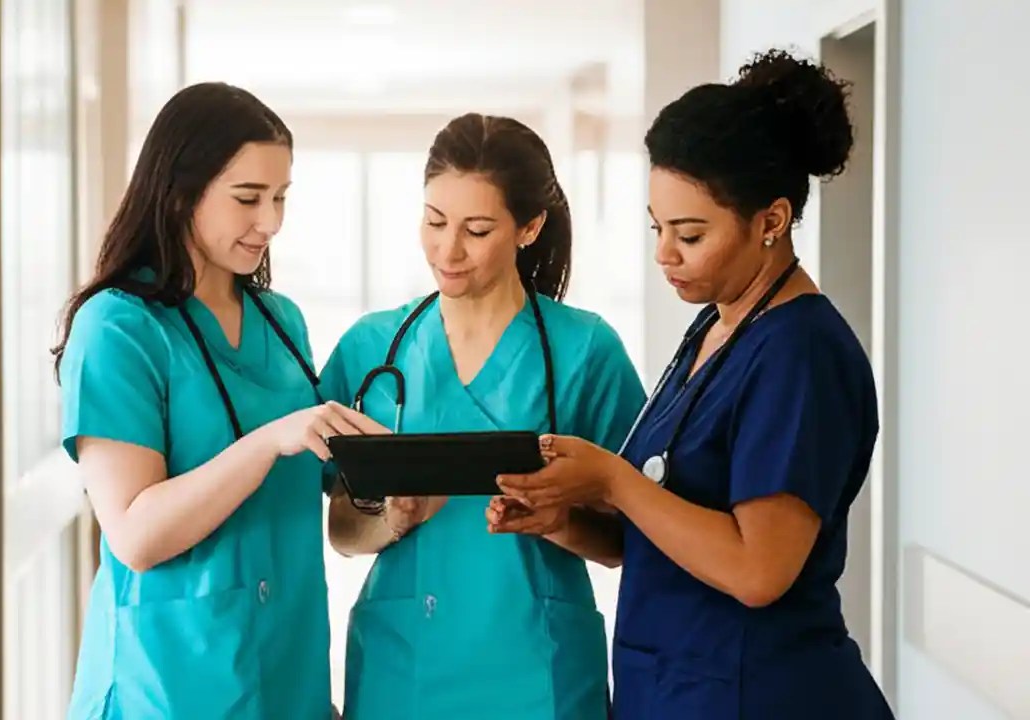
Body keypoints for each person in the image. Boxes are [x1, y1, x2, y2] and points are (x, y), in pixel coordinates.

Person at [492, 50, 896, 719]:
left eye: (690, 233)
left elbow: (757, 571)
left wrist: (614, 481)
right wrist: (565, 522)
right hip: (679, 688)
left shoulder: (800, 352)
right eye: (657, 228)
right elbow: (655, 537)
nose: (664, 254)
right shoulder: (716, 325)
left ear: (771, 220)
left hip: (763, 694)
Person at [53, 82, 375, 719]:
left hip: (287, 680)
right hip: (167, 687)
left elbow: (321, 492)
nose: (271, 221)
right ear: (179, 193)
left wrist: (397, 498)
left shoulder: (280, 321)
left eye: (281, 196)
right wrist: (269, 441)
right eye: (248, 198)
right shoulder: (119, 329)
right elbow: (136, 535)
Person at [322, 113, 646, 720]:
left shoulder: (585, 352)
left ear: (530, 228)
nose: (448, 250)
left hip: (538, 663)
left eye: (476, 229)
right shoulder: (372, 348)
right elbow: (341, 527)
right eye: (434, 221)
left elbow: (631, 538)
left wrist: (557, 522)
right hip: (404, 663)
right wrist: (392, 518)